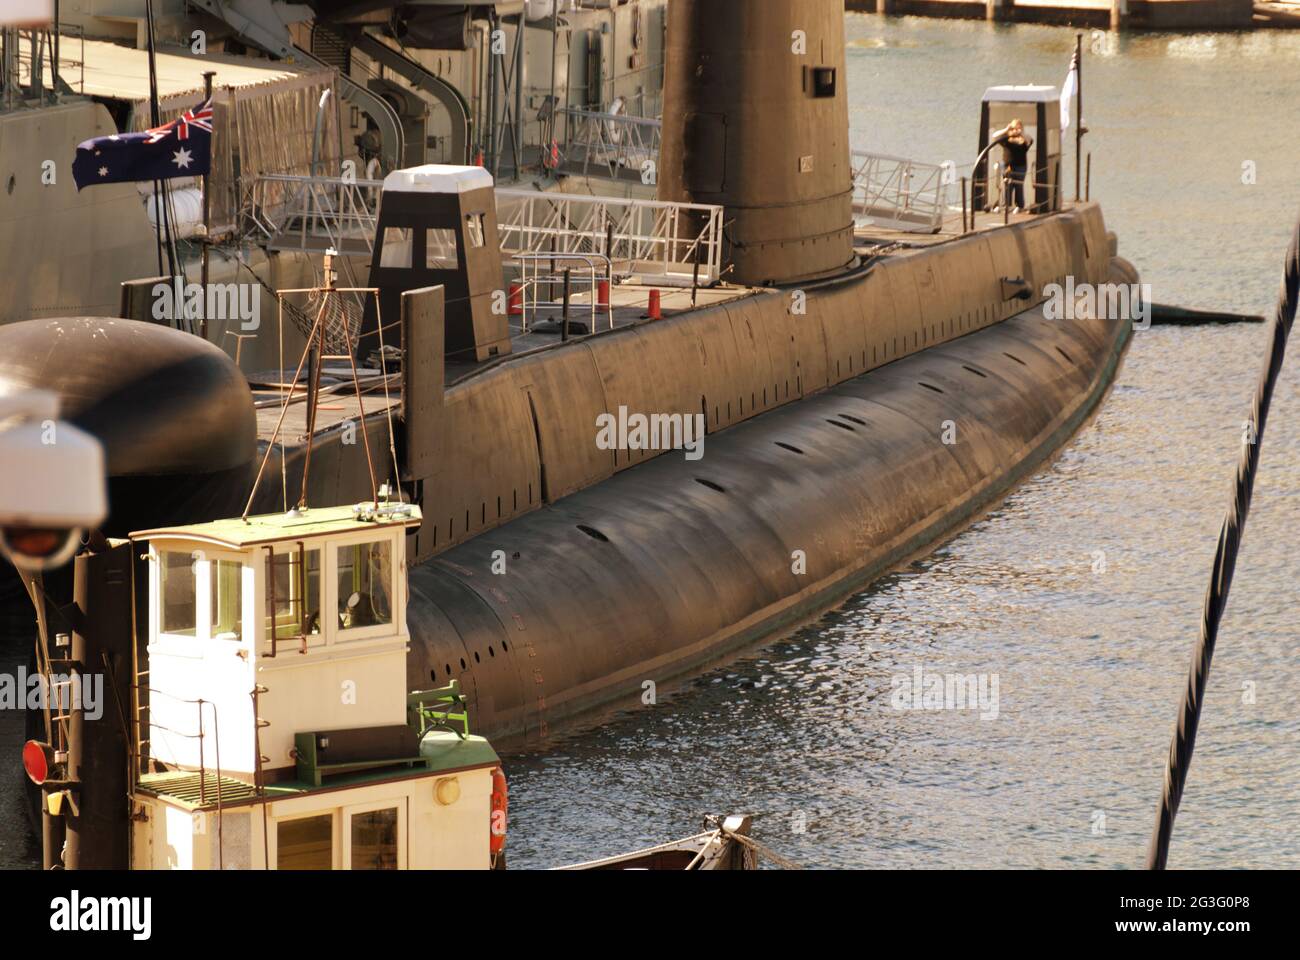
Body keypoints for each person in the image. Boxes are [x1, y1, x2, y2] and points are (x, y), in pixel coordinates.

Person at [1002, 118, 1032, 213]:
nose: (1015, 130)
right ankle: (1007, 206)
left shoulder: (1023, 142)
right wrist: (1006, 130)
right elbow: (994, 136)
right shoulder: (1006, 140)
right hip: (1008, 168)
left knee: (1019, 187)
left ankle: (1020, 206)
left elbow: (1030, 140)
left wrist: (1021, 133)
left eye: (1018, 128)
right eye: (1014, 128)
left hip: (1020, 167)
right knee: (1008, 187)